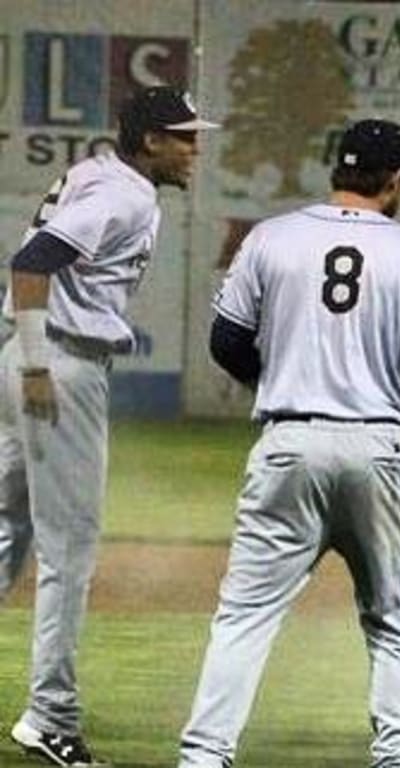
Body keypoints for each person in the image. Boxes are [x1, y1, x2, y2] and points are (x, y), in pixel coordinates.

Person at [176, 119, 400, 768]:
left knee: (244, 618)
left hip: (289, 442)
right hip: (377, 450)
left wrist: (282, 374)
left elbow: (226, 343)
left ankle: (203, 756)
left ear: (335, 169)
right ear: (395, 180)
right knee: (392, 624)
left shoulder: (272, 238)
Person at [0, 85, 219, 766]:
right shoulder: (125, 194)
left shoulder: (98, 171)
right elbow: (32, 264)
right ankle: (51, 716)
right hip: (57, 363)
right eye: (183, 135)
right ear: (149, 140)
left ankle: (50, 710)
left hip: (29, 355)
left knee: (11, 528)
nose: (194, 147)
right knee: (70, 553)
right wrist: (38, 366)